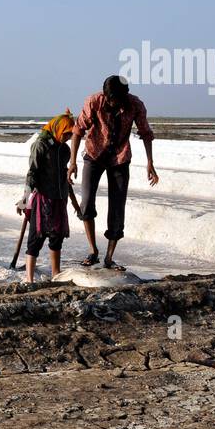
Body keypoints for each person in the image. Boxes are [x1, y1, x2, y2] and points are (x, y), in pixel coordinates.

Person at [67, 75, 158, 270]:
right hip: (94, 154)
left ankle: (109, 257)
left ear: (124, 96)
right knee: (87, 203)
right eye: (109, 99)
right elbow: (77, 131)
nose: (111, 103)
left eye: (115, 99)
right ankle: (93, 251)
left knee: (117, 209)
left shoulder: (135, 104)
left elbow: (145, 133)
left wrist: (150, 162)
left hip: (120, 158)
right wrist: (72, 162)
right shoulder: (94, 101)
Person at [17, 110, 78, 283]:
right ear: (58, 129)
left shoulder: (65, 150)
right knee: (36, 237)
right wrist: (24, 198)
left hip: (59, 199)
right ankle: (29, 279)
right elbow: (32, 172)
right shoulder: (40, 145)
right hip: (43, 198)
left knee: (56, 237)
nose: (68, 138)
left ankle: (55, 273)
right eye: (66, 134)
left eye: (70, 135)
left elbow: (65, 175)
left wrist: (73, 201)